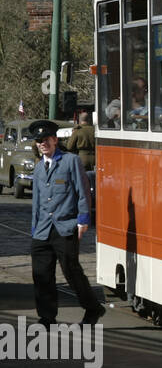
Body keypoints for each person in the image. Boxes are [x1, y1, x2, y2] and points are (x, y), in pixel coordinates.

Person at [29, 119, 101, 327]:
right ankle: (47, 317)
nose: (42, 144)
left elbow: (82, 191)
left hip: (65, 226)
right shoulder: (39, 168)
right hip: (42, 230)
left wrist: (83, 219)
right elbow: (37, 201)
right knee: (42, 275)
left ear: (54, 140)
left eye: (46, 140)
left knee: (71, 271)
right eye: (39, 141)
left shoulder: (70, 161)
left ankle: (93, 308)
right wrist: (34, 228)